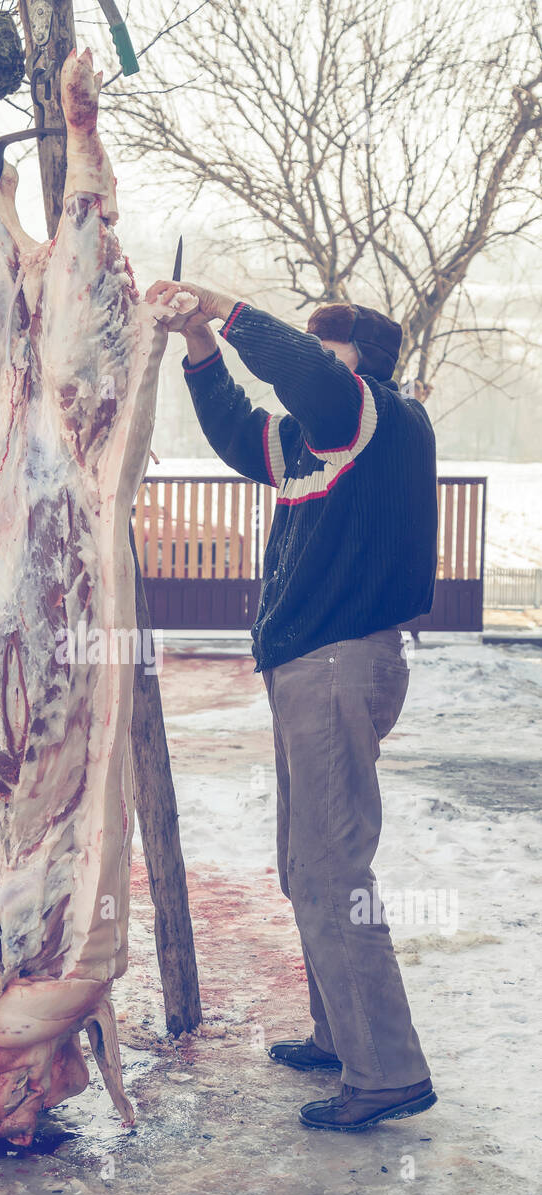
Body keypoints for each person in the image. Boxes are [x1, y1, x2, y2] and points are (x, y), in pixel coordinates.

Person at [146, 280, 439, 1132]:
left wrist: (224, 309)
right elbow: (244, 436)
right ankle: (341, 1037)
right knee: (306, 865)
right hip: (313, 666)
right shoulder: (323, 442)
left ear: (361, 367)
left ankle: (385, 1070)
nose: (315, 361)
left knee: (334, 869)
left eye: (329, 350)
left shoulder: (370, 414)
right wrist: (202, 347)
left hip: (340, 663)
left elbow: (305, 375)